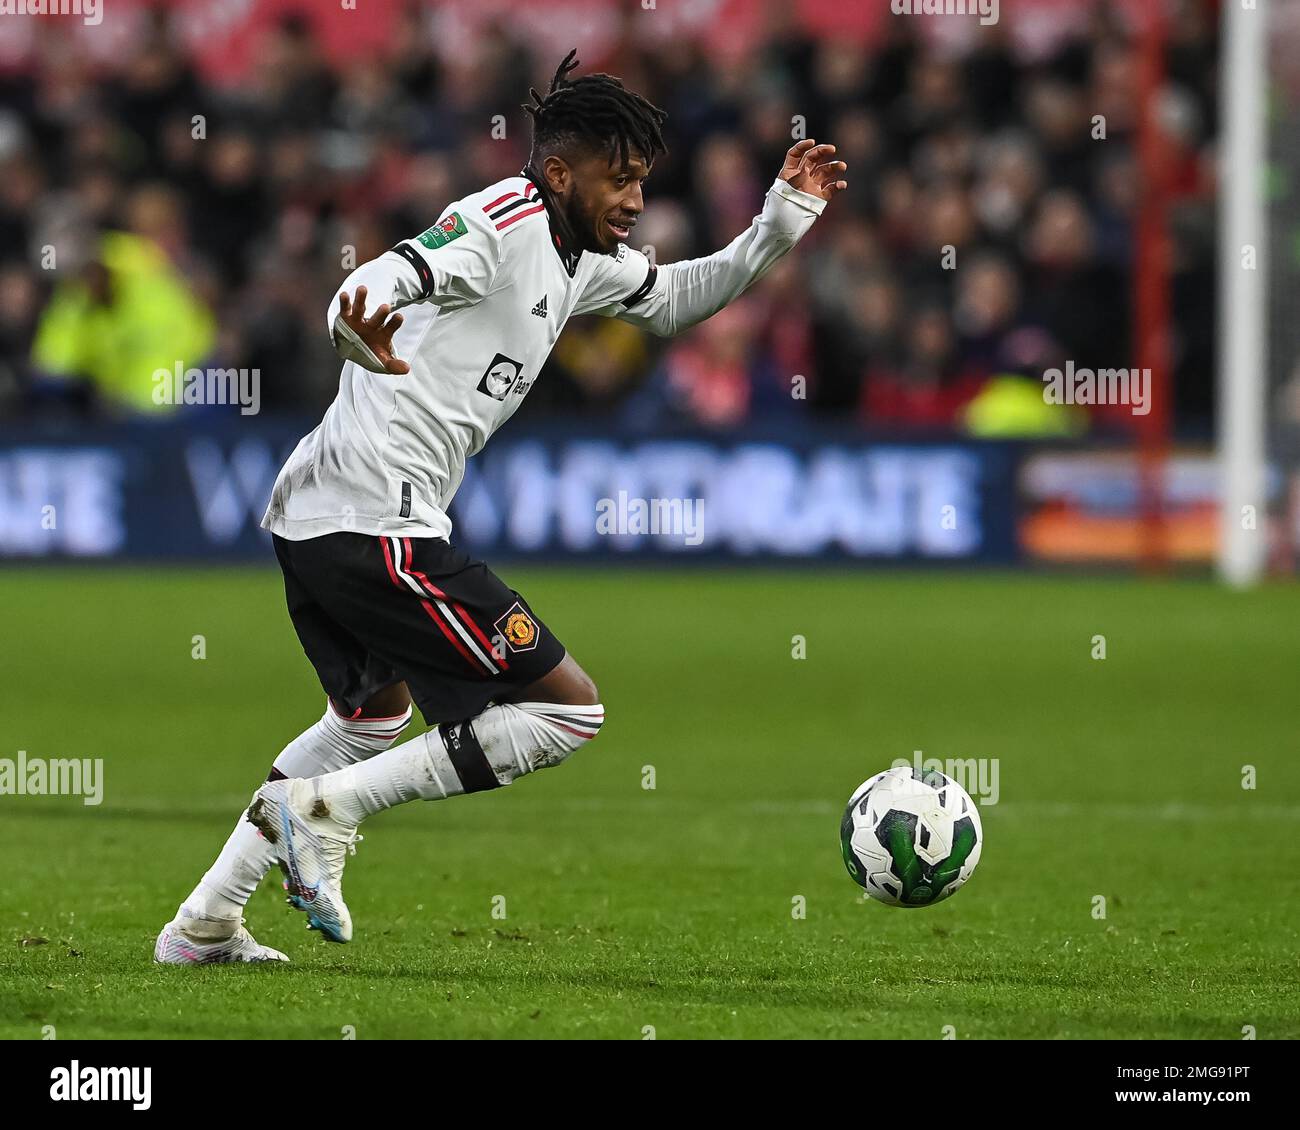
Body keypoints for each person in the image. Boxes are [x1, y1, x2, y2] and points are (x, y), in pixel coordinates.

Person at [155, 50, 846, 963]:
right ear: (559, 173)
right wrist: (350, 317)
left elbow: (675, 299)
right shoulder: (500, 221)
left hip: (325, 515)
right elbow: (388, 278)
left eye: (643, 181)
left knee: (367, 719)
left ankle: (204, 923)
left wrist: (776, 224)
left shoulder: (578, 257)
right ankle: (324, 811)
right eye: (619, 179)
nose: (636, 201)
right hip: (376, 519)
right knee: (566, 711)